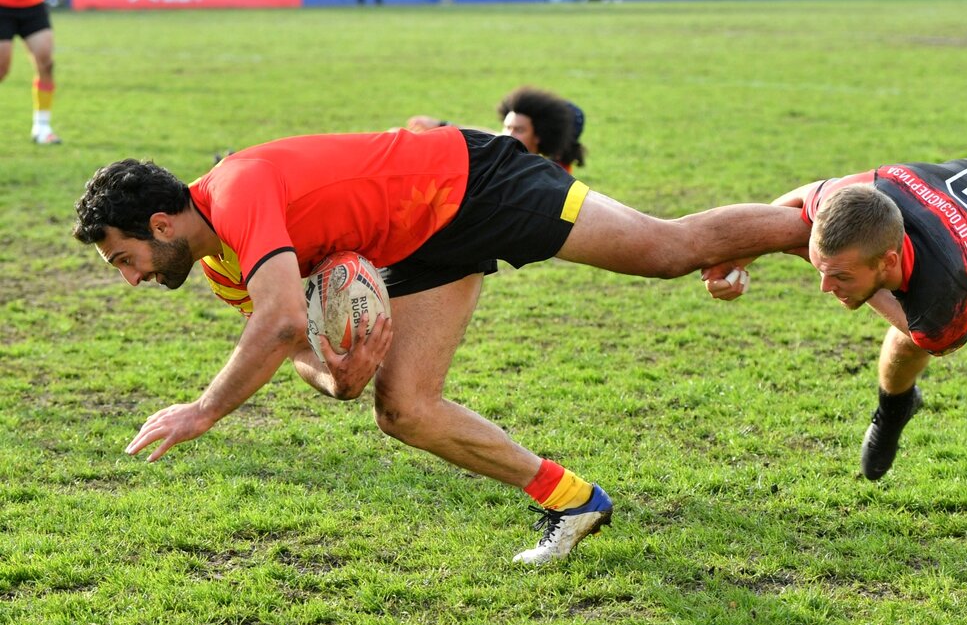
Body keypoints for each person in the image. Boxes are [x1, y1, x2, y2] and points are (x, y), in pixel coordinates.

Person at [72, 127, 810, 565]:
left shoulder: (237, 190)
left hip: (470, 181)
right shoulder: (218, 265)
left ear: (161, 224)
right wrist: (339, 377)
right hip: (414, 244)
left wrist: (201, 410)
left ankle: (827, 214)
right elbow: (292, 340)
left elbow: (280, 324)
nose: (131, 279)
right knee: (404, 409)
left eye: (122, 259)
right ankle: (575, 502)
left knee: (667, 250)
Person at [705, 158, 967, 575]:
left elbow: (937, 339)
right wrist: (742, 258)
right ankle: (895, 407)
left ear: (887, 259)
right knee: (908, 330)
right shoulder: (863, 195)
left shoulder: (948, 293)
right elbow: (798, 200)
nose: (825, 288)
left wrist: (857, 289)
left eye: (841, 276)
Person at [406, 86, 587, 174]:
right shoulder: (520, 150)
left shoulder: (545, 174)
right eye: (507, 127)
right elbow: (489, 134)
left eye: (519, 130)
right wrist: (441, 124)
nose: (508, 135)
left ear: (540, 134)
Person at [0, 0, 75, 145]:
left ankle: (42, 128)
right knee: (1, 69)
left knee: (46, 63)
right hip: (1, 7)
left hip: (33, 5)